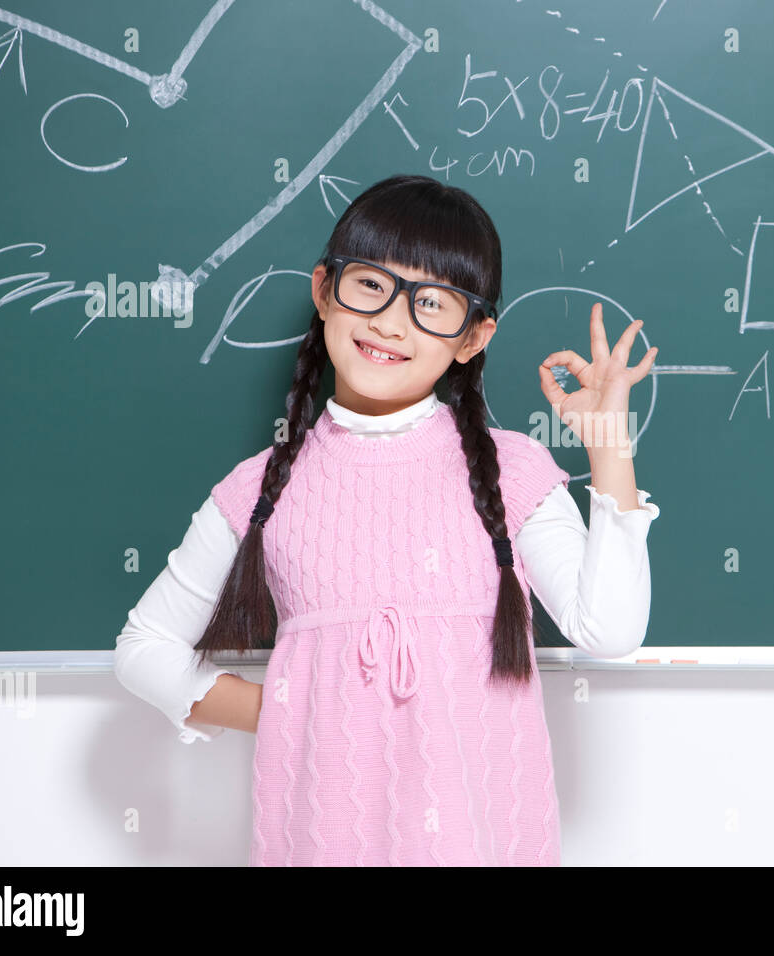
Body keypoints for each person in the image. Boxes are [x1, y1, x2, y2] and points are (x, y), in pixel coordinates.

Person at [113, 173, 660, 866]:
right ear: (324, 291)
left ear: (473, 336)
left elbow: (609, 630)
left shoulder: (511, 471)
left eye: (431, 303)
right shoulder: (259, 490)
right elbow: (144, 647)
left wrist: (610, 447)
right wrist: (284, 710)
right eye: (371, 285)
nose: (391, 323)